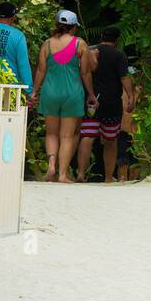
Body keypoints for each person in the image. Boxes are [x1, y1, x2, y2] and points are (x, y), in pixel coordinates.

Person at [29, 10, 96, 183]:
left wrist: (34, 92)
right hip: (72, 93)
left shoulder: (47, 44)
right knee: (66, 136)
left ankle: (51, 166)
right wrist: (91, 94)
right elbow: (86, 73)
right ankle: (62, 174)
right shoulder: (80, 44)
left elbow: (41, 70)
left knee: (51, 133)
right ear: (73, 27)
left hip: (50, 92)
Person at [78, 26, 132, 184]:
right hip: (112, 102)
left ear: (102, 36)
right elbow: (124, 77)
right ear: (117, 40)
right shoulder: (119, 55)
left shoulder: (90, 50)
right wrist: (130, 96)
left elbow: (82, 72)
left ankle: (81, 173)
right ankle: (108, 177)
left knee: (87, 135)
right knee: (111, 140)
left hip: (92, 100)